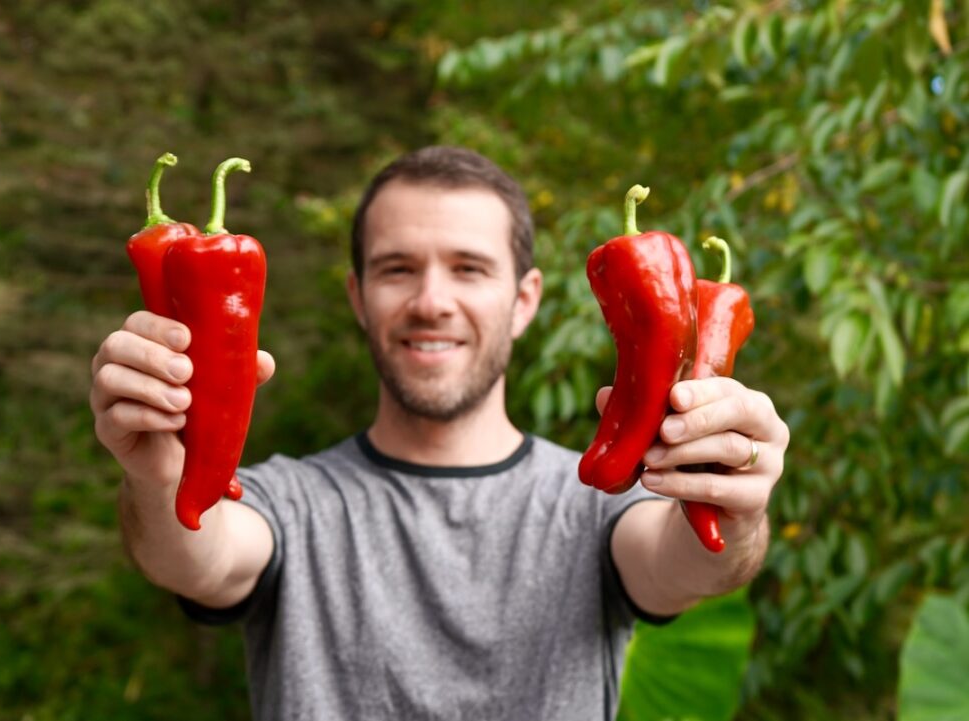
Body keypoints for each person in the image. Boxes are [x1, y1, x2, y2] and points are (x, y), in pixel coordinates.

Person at [90, 146, 789, 720]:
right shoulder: (291, 504)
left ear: (524, 300)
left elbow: (688, 566)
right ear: (358, 298)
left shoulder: (593, 508)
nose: (431, 301)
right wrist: (158, 476)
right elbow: (196, 559)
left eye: (468, 269)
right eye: (398, 269)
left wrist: (737, 506)